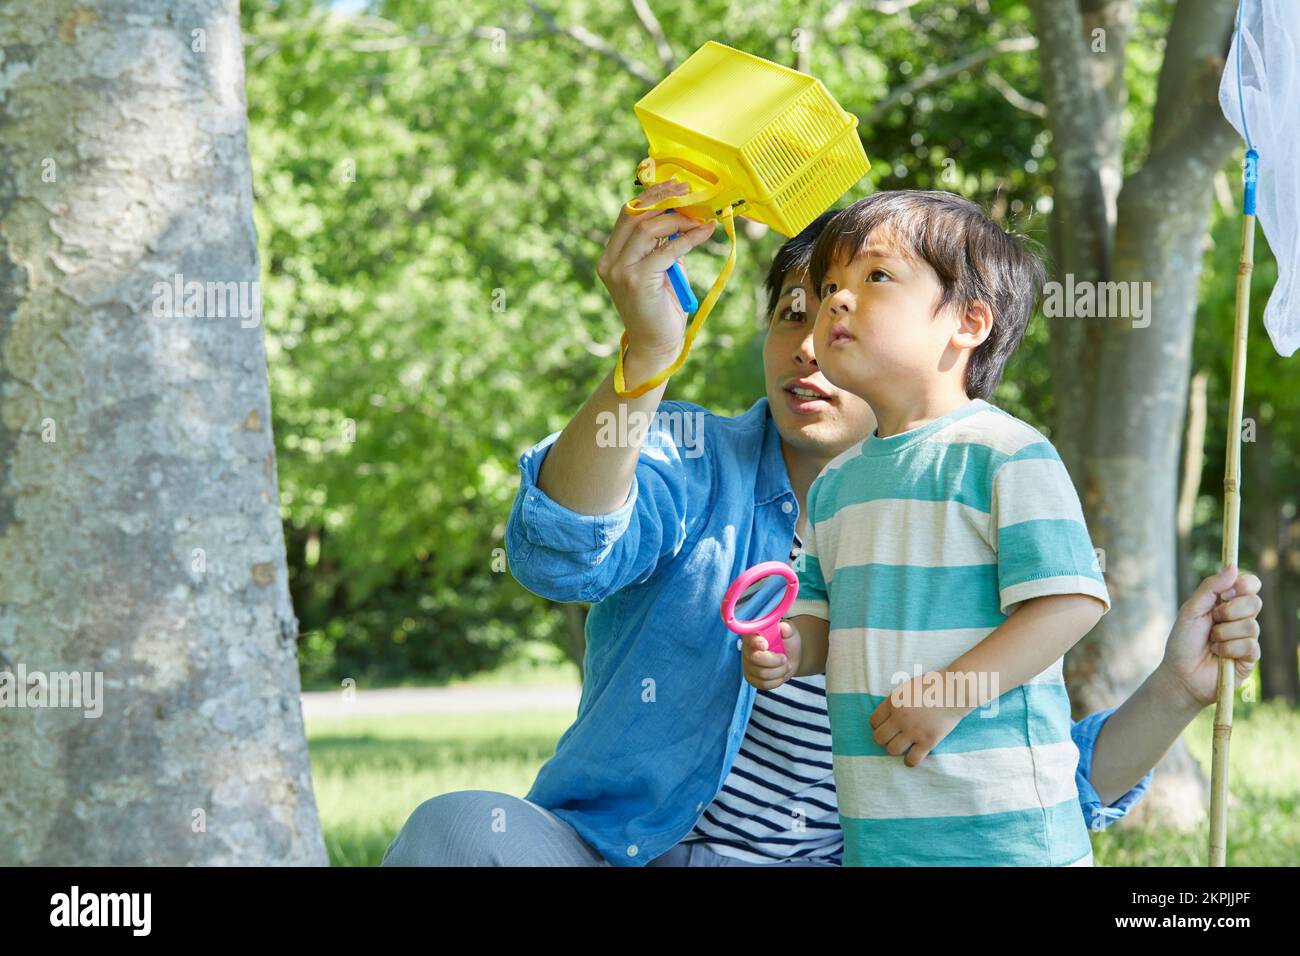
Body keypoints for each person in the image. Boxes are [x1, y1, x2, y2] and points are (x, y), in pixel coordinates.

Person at [382, 178, 1264, 867]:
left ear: (958, 329)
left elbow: (1028, 792)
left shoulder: (984, 478)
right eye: (793, 312)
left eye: (855, 296)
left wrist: (1176, 692)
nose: (814, 336)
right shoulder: (687, 448)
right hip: (622, 854)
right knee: (462, 830)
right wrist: (646, 356)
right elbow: (558, 558)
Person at [745, 191, 1105, 866]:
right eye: (828, 288)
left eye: (875, 277)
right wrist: (791, 649)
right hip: (881, 832)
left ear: (968, 321)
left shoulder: (1006, 454)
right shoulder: (836, 485)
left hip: (1004, 833)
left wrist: (951, 691)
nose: (836, 303)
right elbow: (822, 616)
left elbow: (1070, 601)